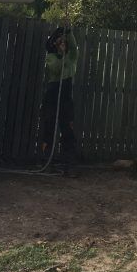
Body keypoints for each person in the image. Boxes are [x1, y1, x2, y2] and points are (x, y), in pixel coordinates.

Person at [41, 25, 79, 173]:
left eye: (64, 42)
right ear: (55, 44)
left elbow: (74, 47)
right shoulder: (51, 57)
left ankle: (68, 164)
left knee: (67, 130)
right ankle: (47, 161)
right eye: (59, 42)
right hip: (52, 95)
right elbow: (56, 69)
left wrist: (68, 33)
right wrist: (61, 54)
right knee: (49, 127)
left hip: (65, 97)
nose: (62, 44)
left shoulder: (72, 56)